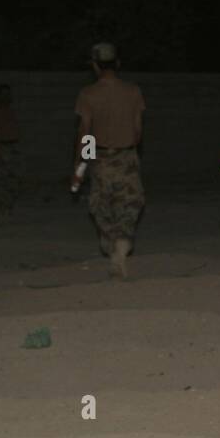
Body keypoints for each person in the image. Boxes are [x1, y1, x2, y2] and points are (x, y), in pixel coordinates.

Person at [73, 42, 146, 279]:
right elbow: (137, 133)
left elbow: (85, 134)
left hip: (101, 157)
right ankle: (122, 244)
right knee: (130, 203)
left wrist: (80, 167)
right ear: (118, 63)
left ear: (94, 66)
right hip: (127, 156)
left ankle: (113, 245)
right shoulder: (133, 91)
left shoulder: (88, 94)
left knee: (100, 206)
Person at [0, 84, 22, 214]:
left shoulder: (11, 112)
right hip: (2, 147)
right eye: (3, 94)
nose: (6, 96)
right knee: (1, 179)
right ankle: (1, 207)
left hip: (13, 147)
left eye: (8, 93)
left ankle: (9, 205)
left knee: (13, 179)